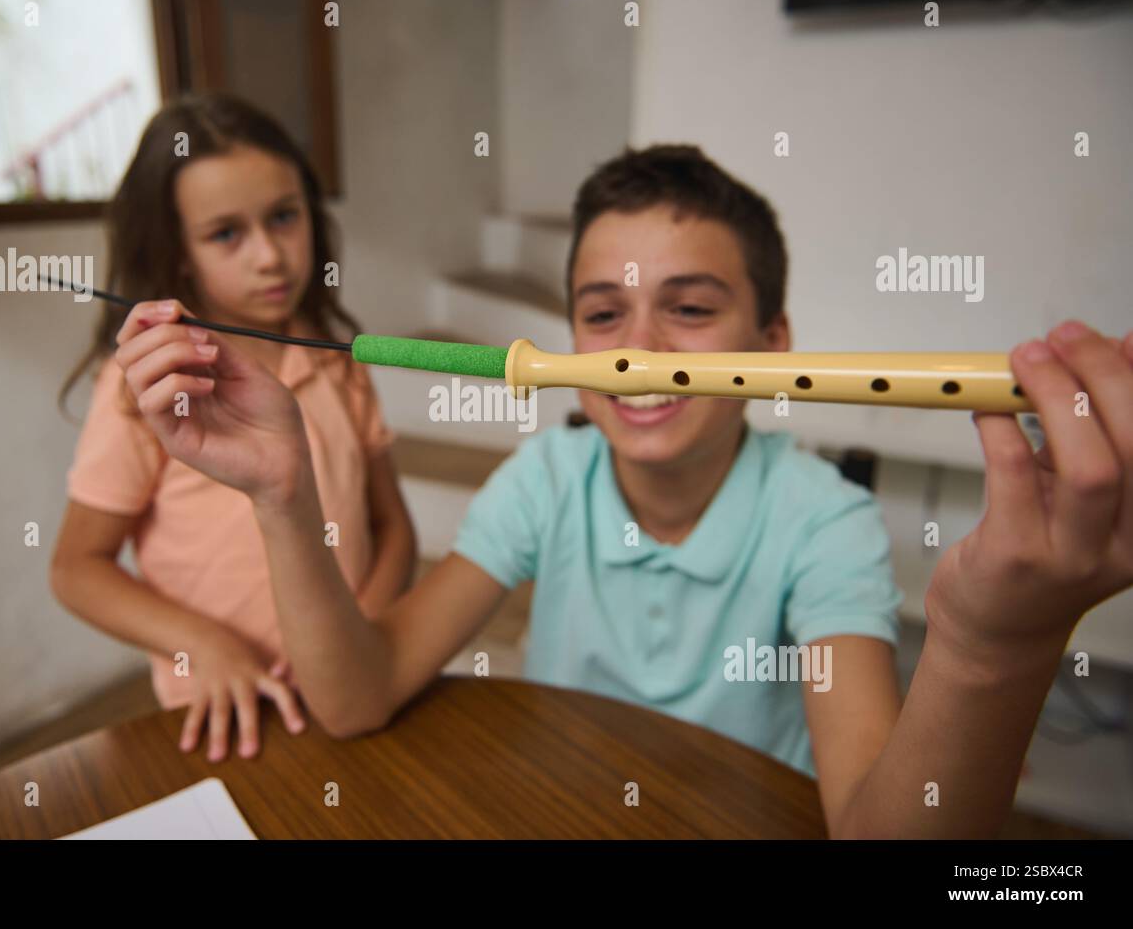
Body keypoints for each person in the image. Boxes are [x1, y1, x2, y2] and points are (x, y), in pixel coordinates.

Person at [112, 143, 1133, 837]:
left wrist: (992, 648)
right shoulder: (547, 478)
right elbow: (358, 696)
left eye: (689, 308)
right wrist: (284, 496)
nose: (638, 351)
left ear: (772, 345)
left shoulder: (822, 522)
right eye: (601, 315)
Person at [50, 94, 417, 763]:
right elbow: (77, 568)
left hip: (351, 688)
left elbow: (392, 525)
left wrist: (358, 630)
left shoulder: (340, 363)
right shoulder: (148, 391)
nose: (271, 256)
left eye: (284, 217)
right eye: (226, 233)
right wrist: (207, 646)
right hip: (227, 713)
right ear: (178, 253)